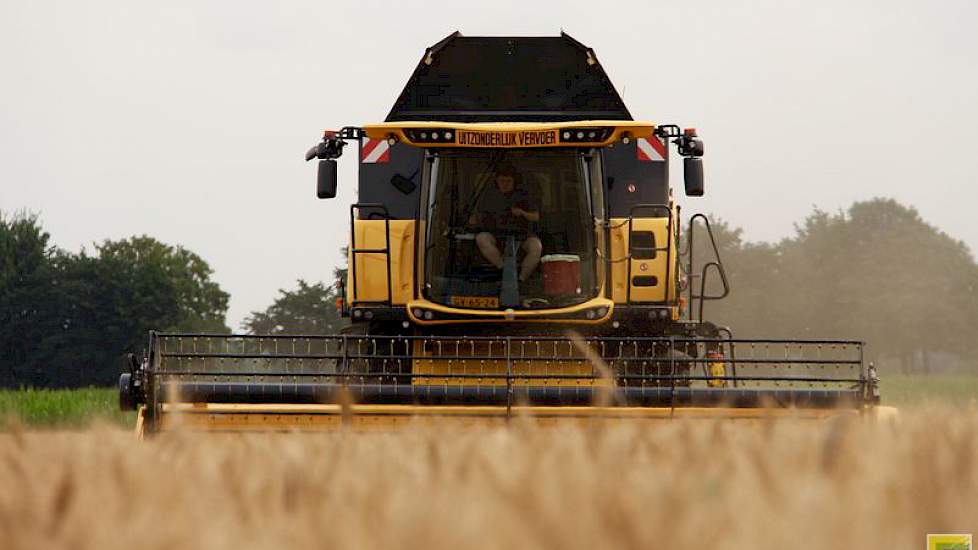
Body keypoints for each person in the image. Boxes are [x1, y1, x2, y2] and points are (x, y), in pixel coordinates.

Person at [467, 164, 543, 282]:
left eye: (508, 181)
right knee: (481, 238)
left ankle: (521, 279)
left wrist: (522, 213)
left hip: (522, 235)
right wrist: (474, 219)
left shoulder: (524, 195)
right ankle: (503, 270)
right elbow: (479, 215)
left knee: (536, 246)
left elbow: (536, 216)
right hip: (496, 234)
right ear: (497, 181)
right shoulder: (489, 196)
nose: (505, 184)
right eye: (502, 181)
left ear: (514, 182)